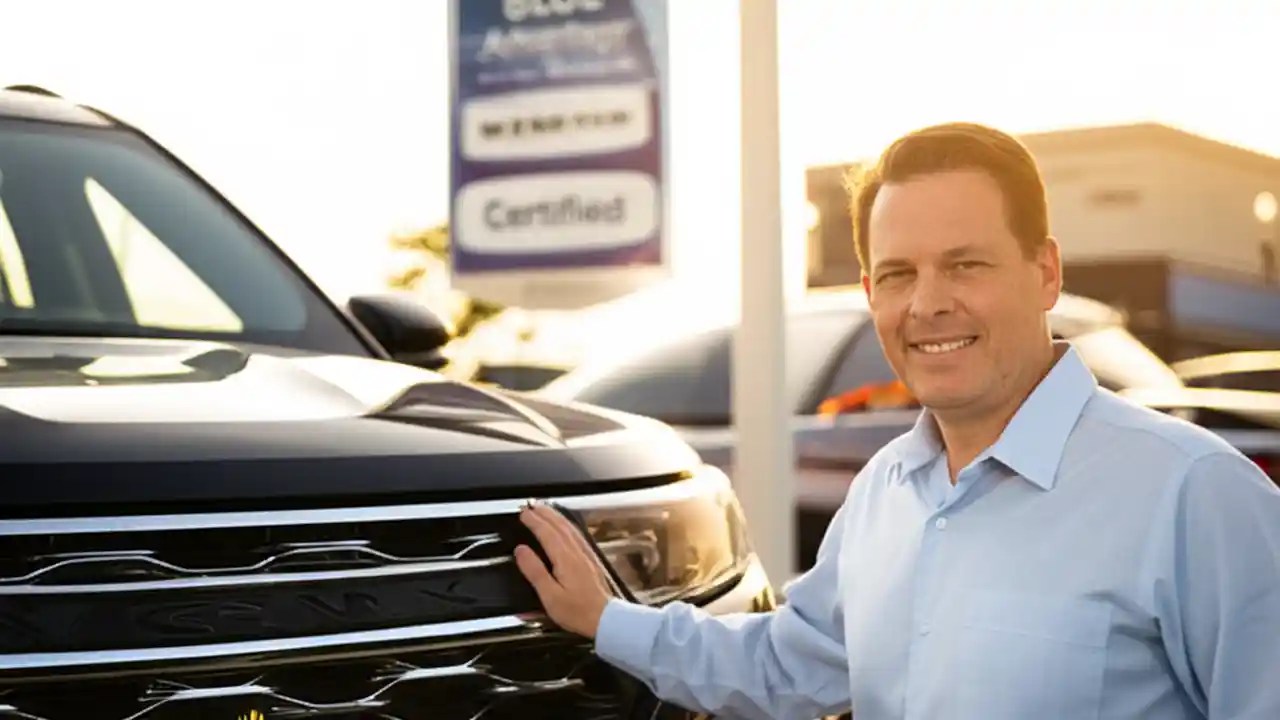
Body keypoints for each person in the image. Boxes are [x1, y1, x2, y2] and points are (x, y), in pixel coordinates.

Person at [513, 122, 1280, 719]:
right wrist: (606, 618)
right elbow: (783, 666)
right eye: (897, 274)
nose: (928, 304)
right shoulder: (884, 492)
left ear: (1045, 271)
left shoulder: (1195, 494)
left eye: (965, 264)